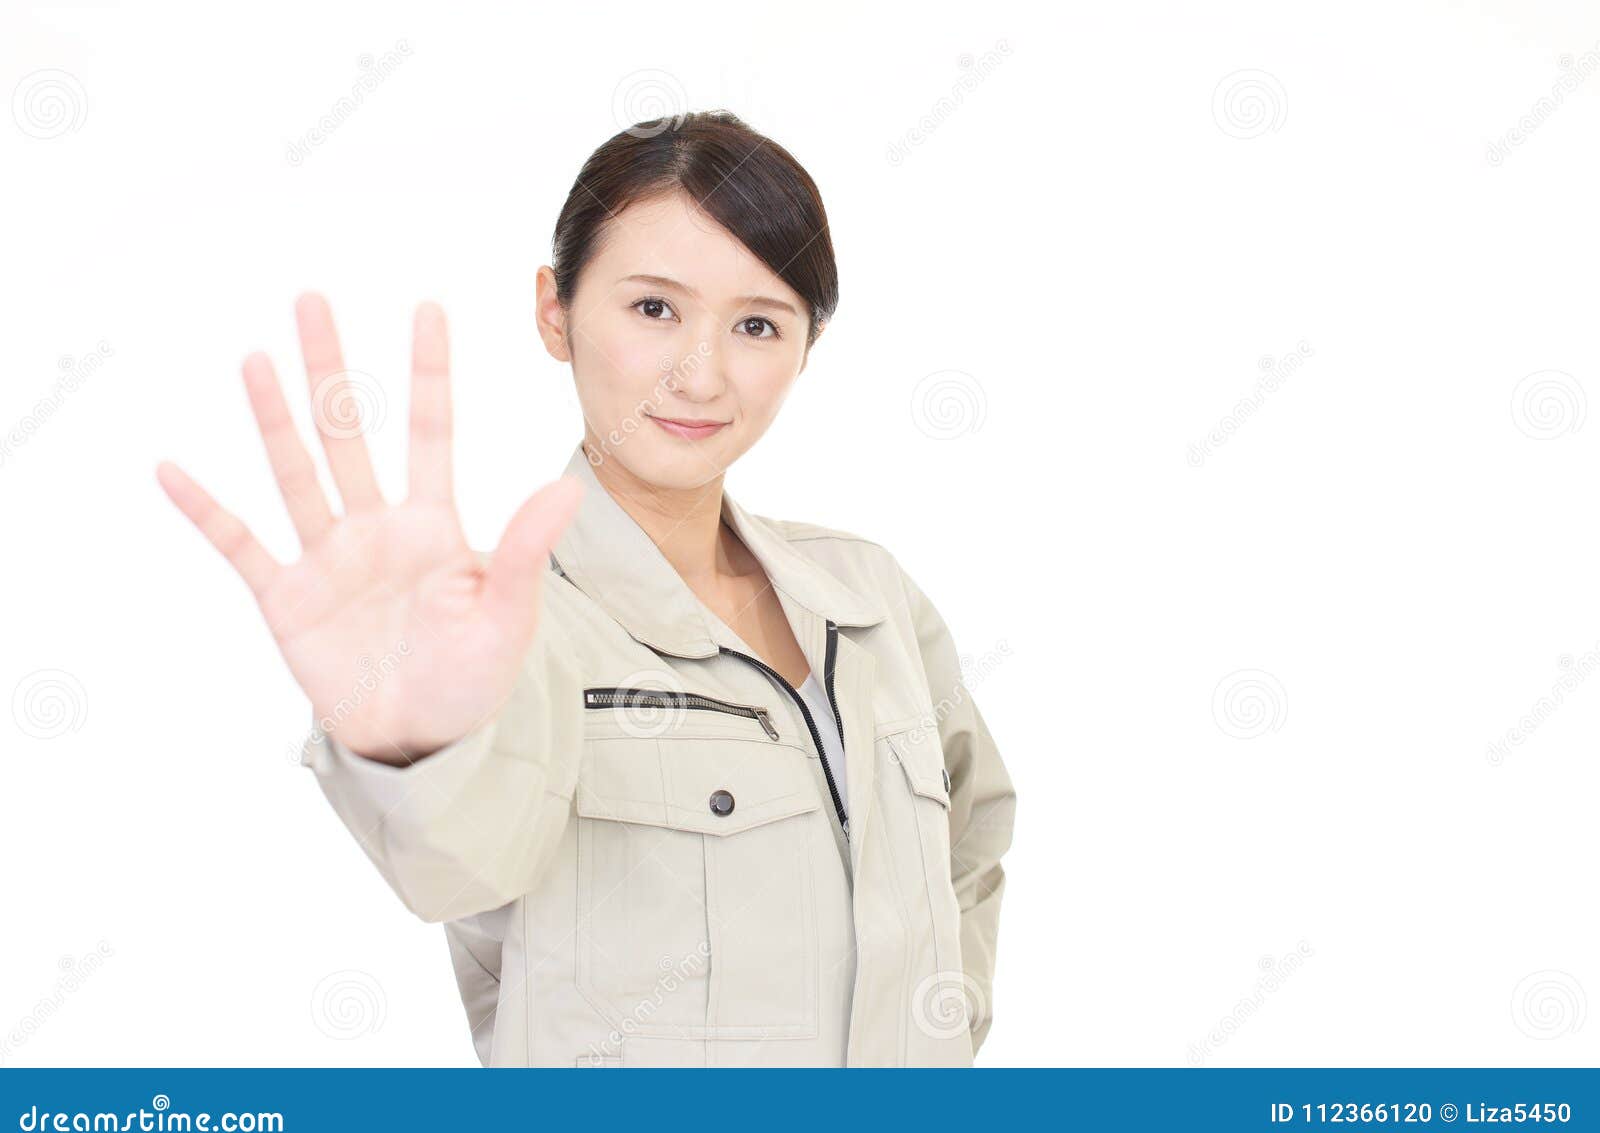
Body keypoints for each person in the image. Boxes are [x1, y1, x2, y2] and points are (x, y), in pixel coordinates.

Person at [155, 110, 1016, 1066]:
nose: (702, 374)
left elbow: (974, 833)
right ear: (554, 313)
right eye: (655, 309)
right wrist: (407, 735)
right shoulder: (502, 628)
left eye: (758, 324)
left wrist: (947, 1028)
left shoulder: (867, 593)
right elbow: (455, 862)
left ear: (805, 348)